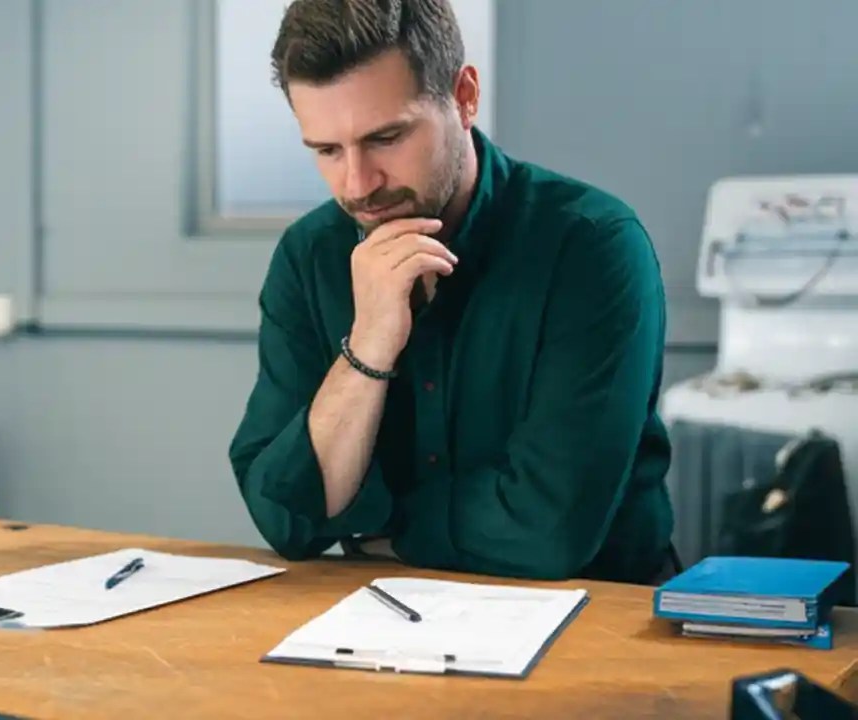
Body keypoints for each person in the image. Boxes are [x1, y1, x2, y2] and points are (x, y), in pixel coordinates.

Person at [228, 0, 676, 584]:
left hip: (598, 626)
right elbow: (285, 516)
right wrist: (368, 347)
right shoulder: (309, 254)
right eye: (327, 151)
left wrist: (380, 531)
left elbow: (548, 533)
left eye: (386, 137)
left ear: (464, 97)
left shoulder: (592, 246)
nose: (358, 184)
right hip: (374, 623)